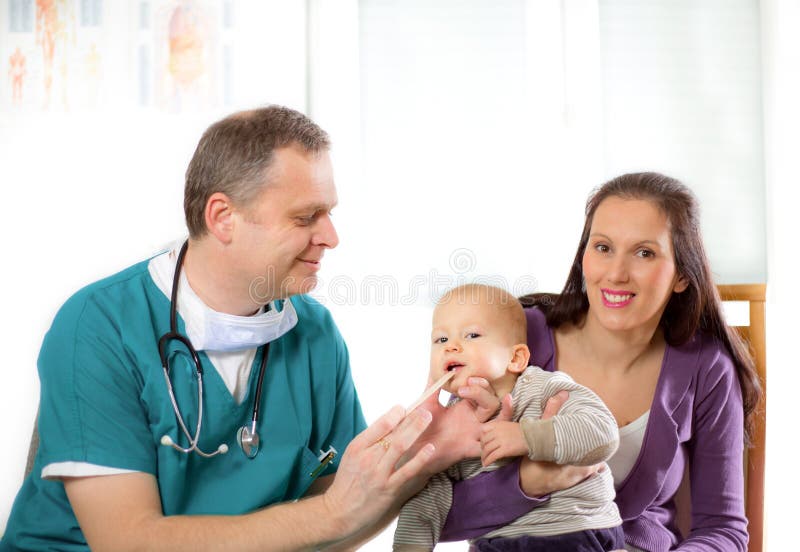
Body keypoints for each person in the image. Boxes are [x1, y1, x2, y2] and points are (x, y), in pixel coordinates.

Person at [0, 106, 520, 551]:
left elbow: (339, 520)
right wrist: (334, 514)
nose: (332, 236)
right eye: (305, 217)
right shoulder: (99, 327)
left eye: (330, 212)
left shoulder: (313, 334)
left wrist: (428, 453)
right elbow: (129, 541)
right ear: (223, 217)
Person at [438, 172, 762, 551]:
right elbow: (441, 518)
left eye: (645, 253)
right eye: (603, 247)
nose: (616, 274)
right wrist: (531, 482)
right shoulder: (515, 340)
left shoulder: (706, 366)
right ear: (584, 256)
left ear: (682, 277)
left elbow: (724, 531)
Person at [393, 284, 624, 551]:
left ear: (516, 358)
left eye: (472, 334)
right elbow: (426, 505)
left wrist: (526, 437)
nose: (451, 347)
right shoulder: (447, 425)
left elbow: (603, 432)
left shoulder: (543, 389)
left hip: (574, 531)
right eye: (441, 340)